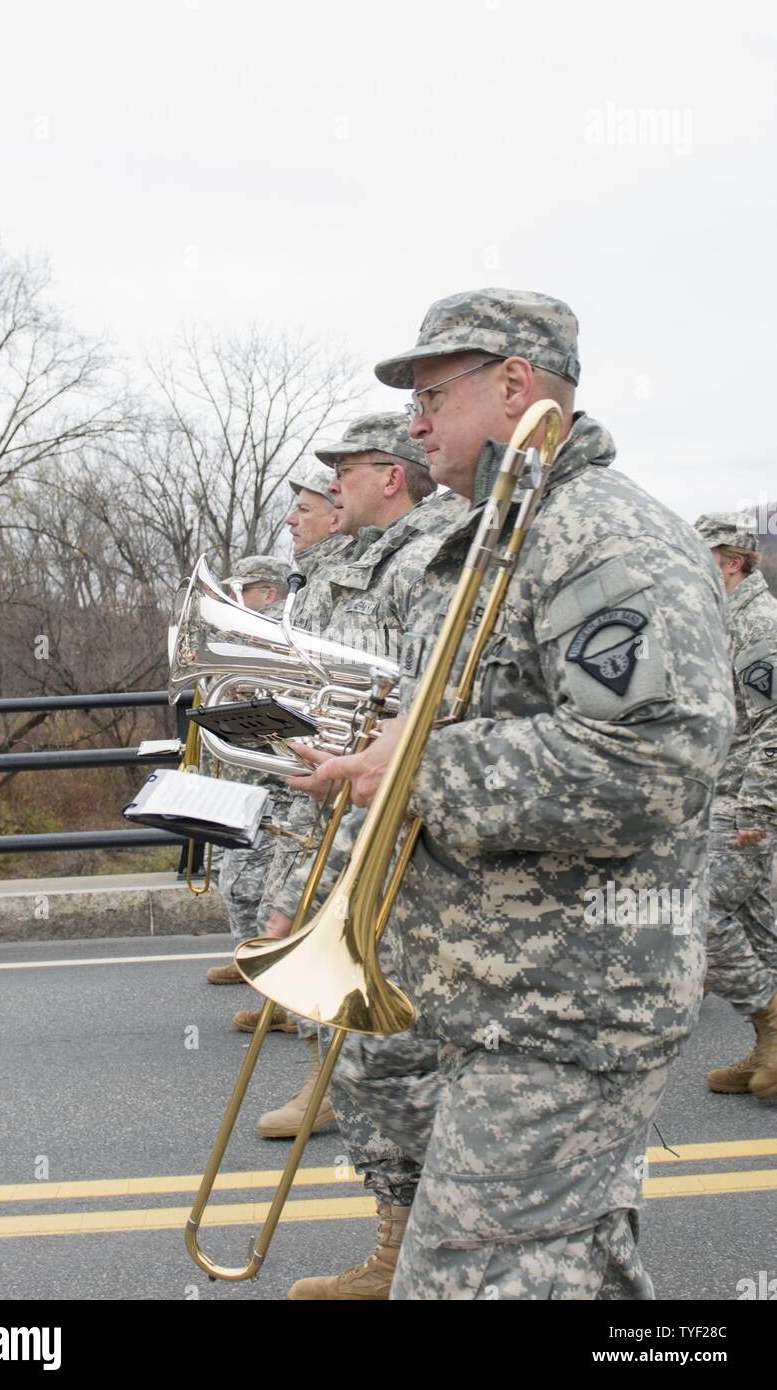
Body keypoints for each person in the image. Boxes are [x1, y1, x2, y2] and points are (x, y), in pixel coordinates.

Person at [276, 288, 736, 1301]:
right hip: (481, 994)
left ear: (517, 385)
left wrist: (414, 767)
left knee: (470, 1282)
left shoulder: (606, 539)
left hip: (566, 1009)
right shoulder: (490, 532)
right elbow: (465, 712)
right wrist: (365, 746)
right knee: (568, 1274)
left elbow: (650, 760)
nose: (415, 421)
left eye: (434, 393)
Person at [238, 414, 456, 1148]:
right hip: (345, 801)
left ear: (390, 477)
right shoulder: (359, 564)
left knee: (392, 1036)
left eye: (347, 471)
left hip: (389, 814)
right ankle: (340, 1095)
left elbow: (397, 719)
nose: (333, 485)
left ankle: (346, 1097)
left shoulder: (420, 561)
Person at [693, 513, 777, 1099]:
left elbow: (775, 723)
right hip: (723, 792)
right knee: (760, 929)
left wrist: (757, 811)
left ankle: (772, 1026)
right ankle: (766, 1048)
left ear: (732, 562)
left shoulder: (759, 623)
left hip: (748, 799)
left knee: (696, 911)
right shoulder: (722, 619)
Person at [205, 555, 299, 1007]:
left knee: (251, 884)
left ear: (267, 593)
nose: (232, 600)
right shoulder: (249, 634)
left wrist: (249, 690)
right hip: (246, 779)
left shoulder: (279, 631)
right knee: (233, 875)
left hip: (272, 786)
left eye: (241, 591)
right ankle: (248, 959)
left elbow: (287, 703)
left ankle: (271, 985)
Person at [285, 462, 350, 576]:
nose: (290, 520)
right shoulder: (315, 576)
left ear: (335, 521)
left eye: (304, 510)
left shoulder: (342, 576)